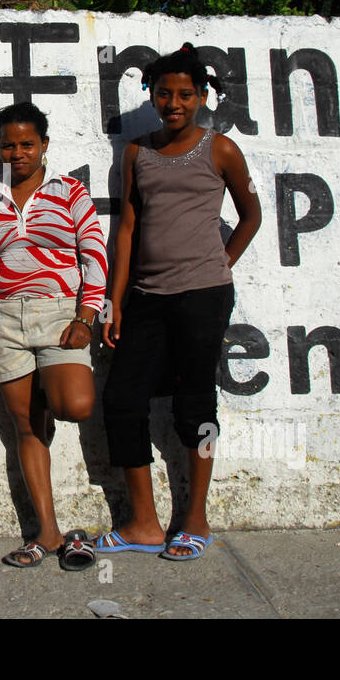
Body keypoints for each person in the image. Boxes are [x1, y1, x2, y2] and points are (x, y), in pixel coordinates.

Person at [96, 43, 262, 560]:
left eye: (185, 94)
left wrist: (219, 266)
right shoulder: (136, 153)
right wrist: (115, 301)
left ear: (202, 97)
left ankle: (196, 518)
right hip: (144, 296)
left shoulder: (221, 150)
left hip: (203, 297)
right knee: (123, 402)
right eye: (164, 93)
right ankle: (143, 524)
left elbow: (252, 215)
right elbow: (127, 230)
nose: (174, 103)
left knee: (196, 405)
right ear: (151, 96)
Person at [0, 102, 108, 571]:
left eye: (27, 143)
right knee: (25, 428)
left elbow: (93, 254)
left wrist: (87, 316)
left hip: (58, 317)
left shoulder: (70, 192)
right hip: (3, 321)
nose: (18, 152)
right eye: (9, 145)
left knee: (74, 405)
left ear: (44, 145)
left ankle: (49, 387)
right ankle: (47, 532)